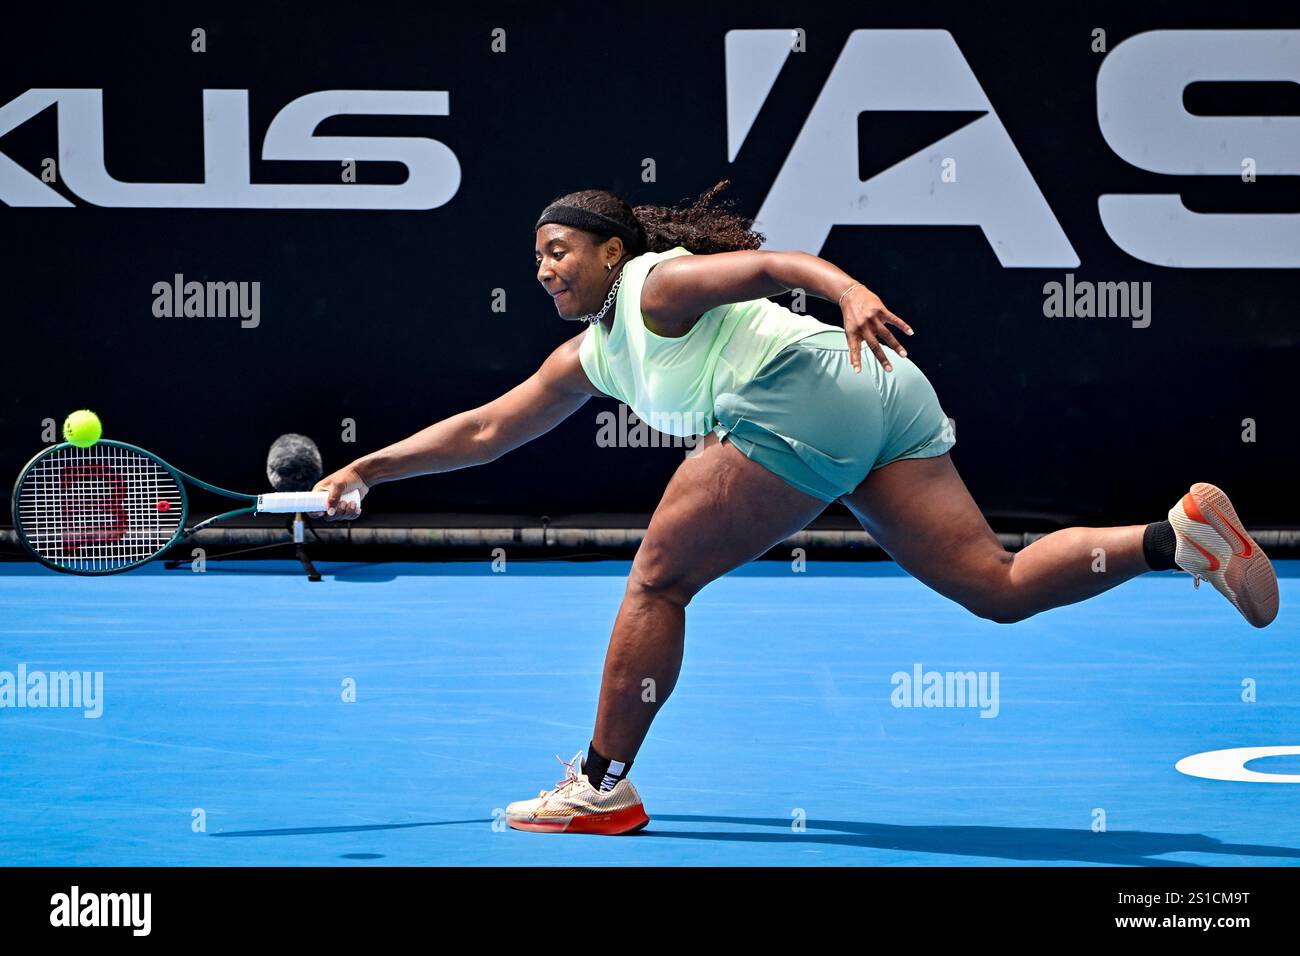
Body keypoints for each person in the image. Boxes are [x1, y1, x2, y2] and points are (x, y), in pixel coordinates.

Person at [314, 180, 1280, 835]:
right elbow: (487, 429)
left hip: (807, 387)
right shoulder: (589, 355)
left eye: (561, 251)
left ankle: (600, 788)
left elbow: (779, 267)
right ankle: (1176, 538)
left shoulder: (657, 286)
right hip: (879, 396)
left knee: (659, 578)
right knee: (997, 585)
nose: (546, 270)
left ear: (614, 250)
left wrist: (852, 291)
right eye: (536, 261)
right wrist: (369, 470)